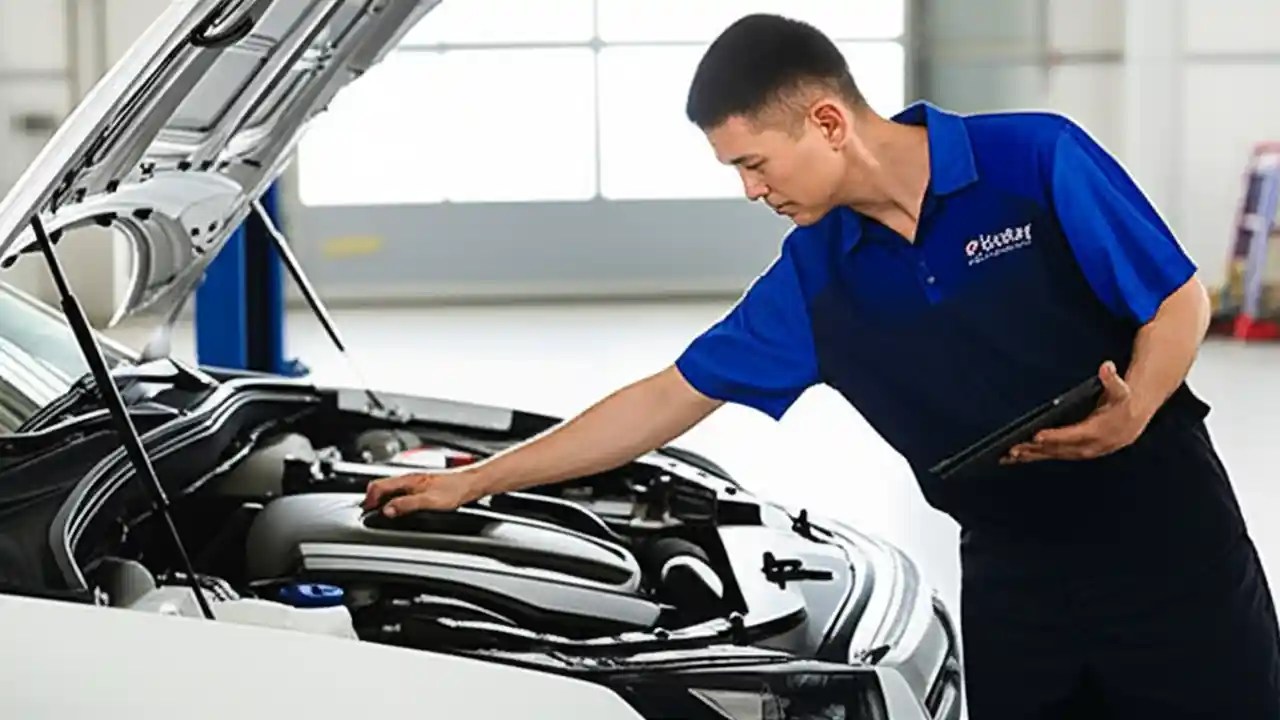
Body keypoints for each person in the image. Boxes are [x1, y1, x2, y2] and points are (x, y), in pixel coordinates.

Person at [364, 13, 1280, 719]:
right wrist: (476, 480)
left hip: (1168, 543)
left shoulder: (1032, 159)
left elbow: (1176, 299)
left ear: (829, 122)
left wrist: (1137, 403)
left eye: (755, 162)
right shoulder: (815, 280)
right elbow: (665, 398)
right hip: (1015, 572)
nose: (750, 190)